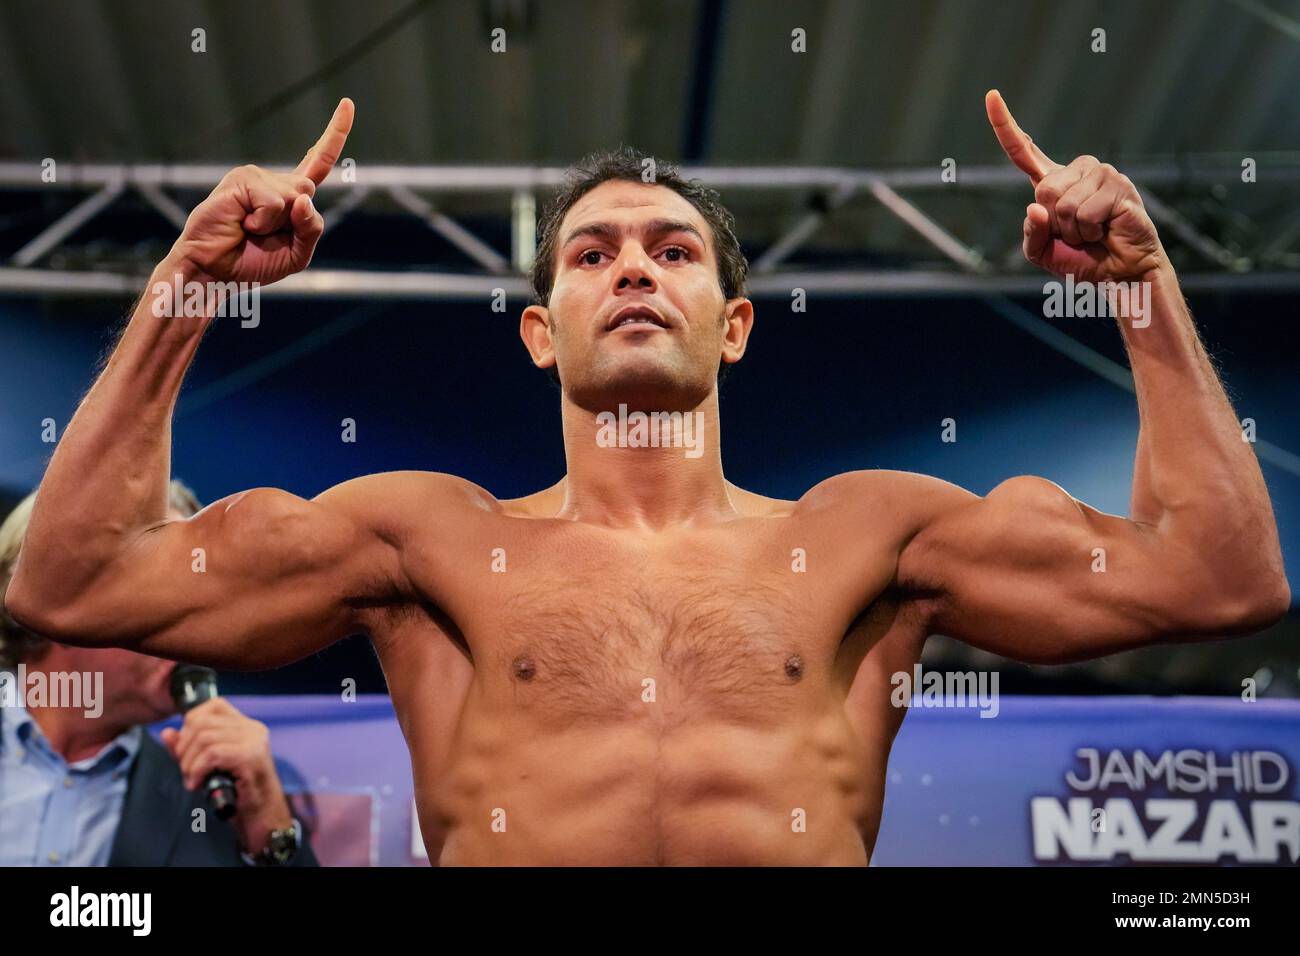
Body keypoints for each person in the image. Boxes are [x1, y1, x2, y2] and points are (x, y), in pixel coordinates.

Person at [5, 92, 1288, 865]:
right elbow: (77, 574)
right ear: (537, 326)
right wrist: (185, 284)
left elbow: (1222, 574)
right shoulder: (424, 540)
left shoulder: (871, 536)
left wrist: (1137, 281)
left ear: (733, 322)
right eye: (591, 253)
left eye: (674, 249)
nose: (632, 268)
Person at [0, 485, 317, 867]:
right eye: (165, 589)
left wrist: (268, 822)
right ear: (59, 596)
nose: (197, 625)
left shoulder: (220, 795)